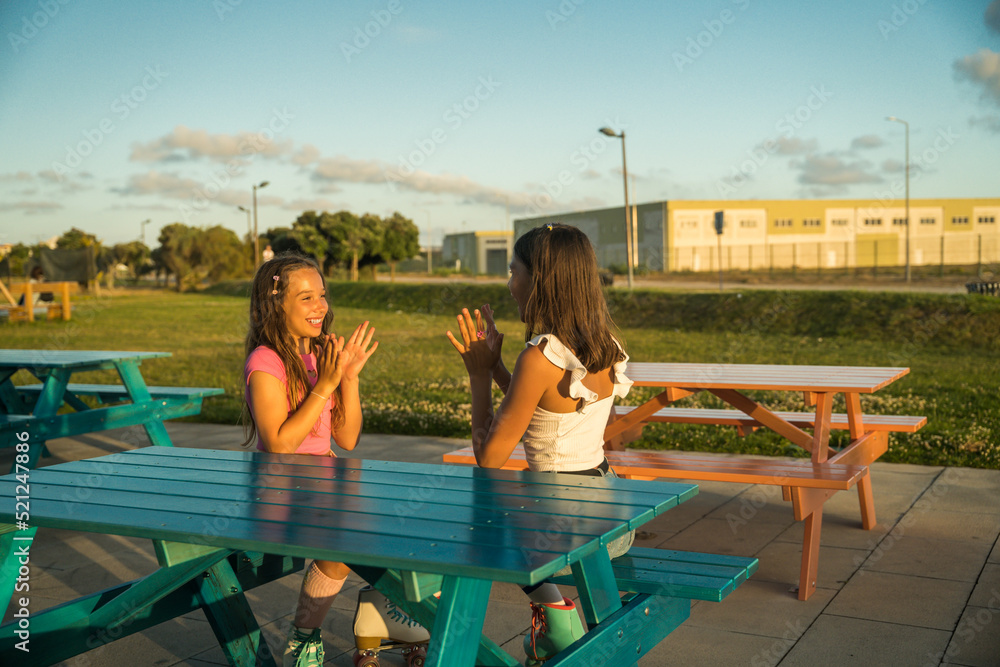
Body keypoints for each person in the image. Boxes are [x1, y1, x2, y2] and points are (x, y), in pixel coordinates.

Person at [446, 223, 634, 665]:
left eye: (514, 272)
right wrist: (494, 369)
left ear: (540, 281)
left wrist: (476, 377)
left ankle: (556, 617)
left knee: (476, 528)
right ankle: (561, 621)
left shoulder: (539, 356)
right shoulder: (603, 343)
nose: (509, 283)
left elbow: (489, 459)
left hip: (562, 529)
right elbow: (547, 408)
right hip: (610, 519)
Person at [243, 253, 424, 666]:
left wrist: (349, 379)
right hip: (280, 488)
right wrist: (324, 385)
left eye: (321, 295)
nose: (320, 307)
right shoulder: (266, 362)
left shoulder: (318, 354)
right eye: (306, 298)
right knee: (345, 537)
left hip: (320, 483)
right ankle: (308, 638)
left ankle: (384, 616)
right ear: (276, 305)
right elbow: (279, 445)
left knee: (407, 514)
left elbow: (347, 438)